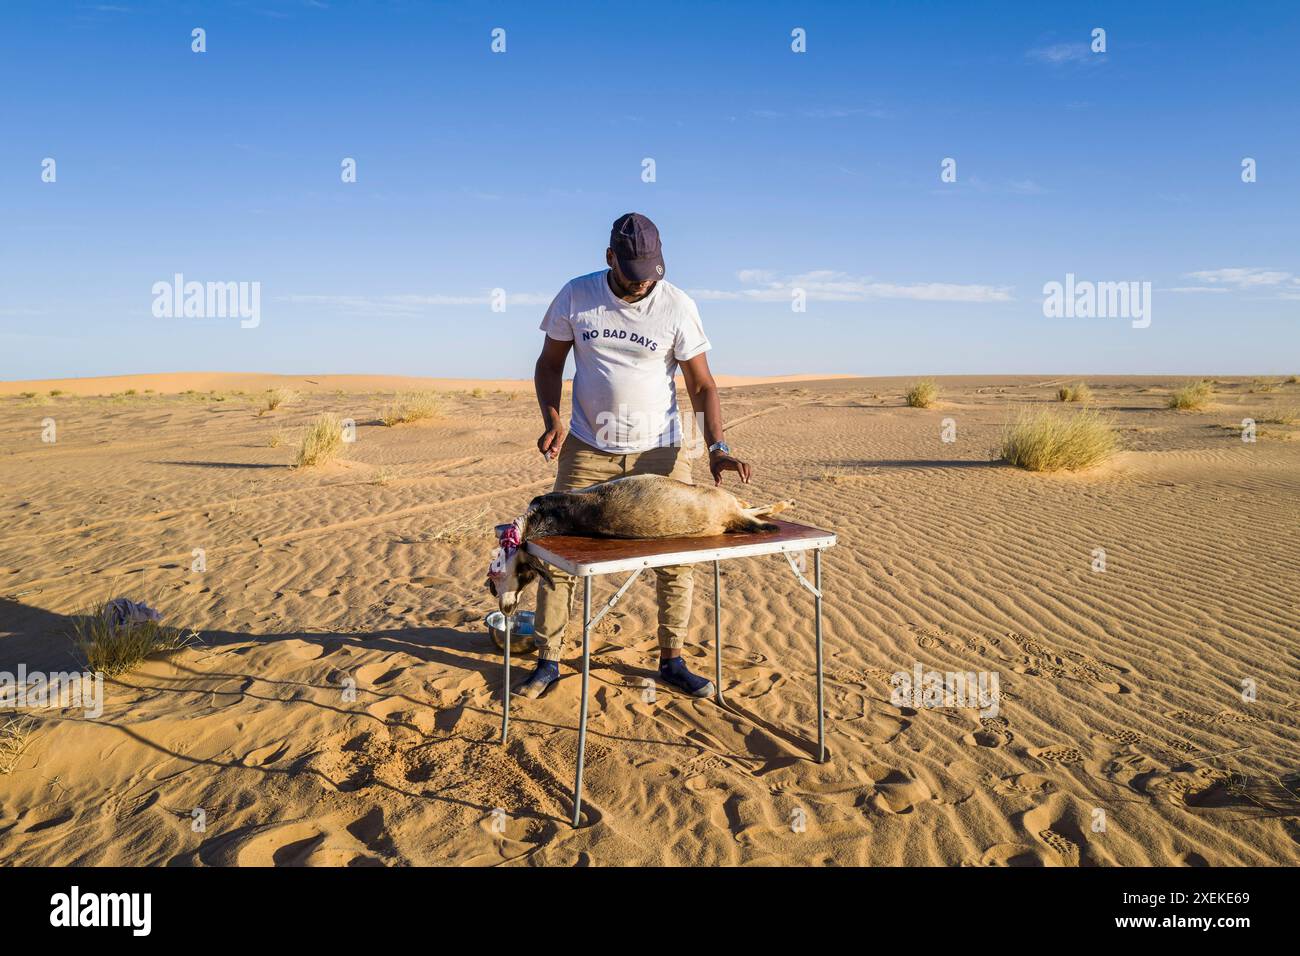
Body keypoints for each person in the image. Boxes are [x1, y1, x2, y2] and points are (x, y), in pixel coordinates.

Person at [517, 212, 753, 699]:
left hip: (660, 456)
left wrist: (718, 447)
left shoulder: (677, 305)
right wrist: (552, 420)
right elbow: (548, 364)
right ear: (609, 260)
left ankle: (673, 661)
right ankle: (548, 660)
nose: (643, 284)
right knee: (557, 553)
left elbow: (702, 384)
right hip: (587, 450)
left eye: (651, 274)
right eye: (632, 275)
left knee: (677, 559)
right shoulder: (576, 296)